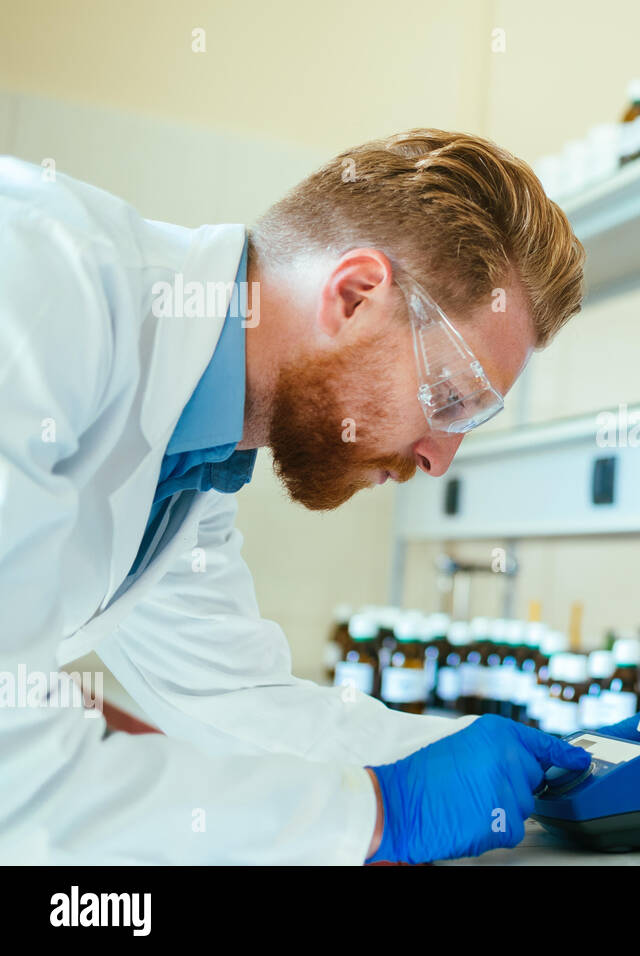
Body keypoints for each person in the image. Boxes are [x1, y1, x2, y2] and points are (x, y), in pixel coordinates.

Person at [0, 129, 595, 864]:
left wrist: (525, 762)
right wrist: (381, 815)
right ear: (353, 295)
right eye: (450, 399)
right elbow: (12, 777)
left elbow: (235, 704)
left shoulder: (198, 460)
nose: (440, 458)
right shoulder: (34, 284)